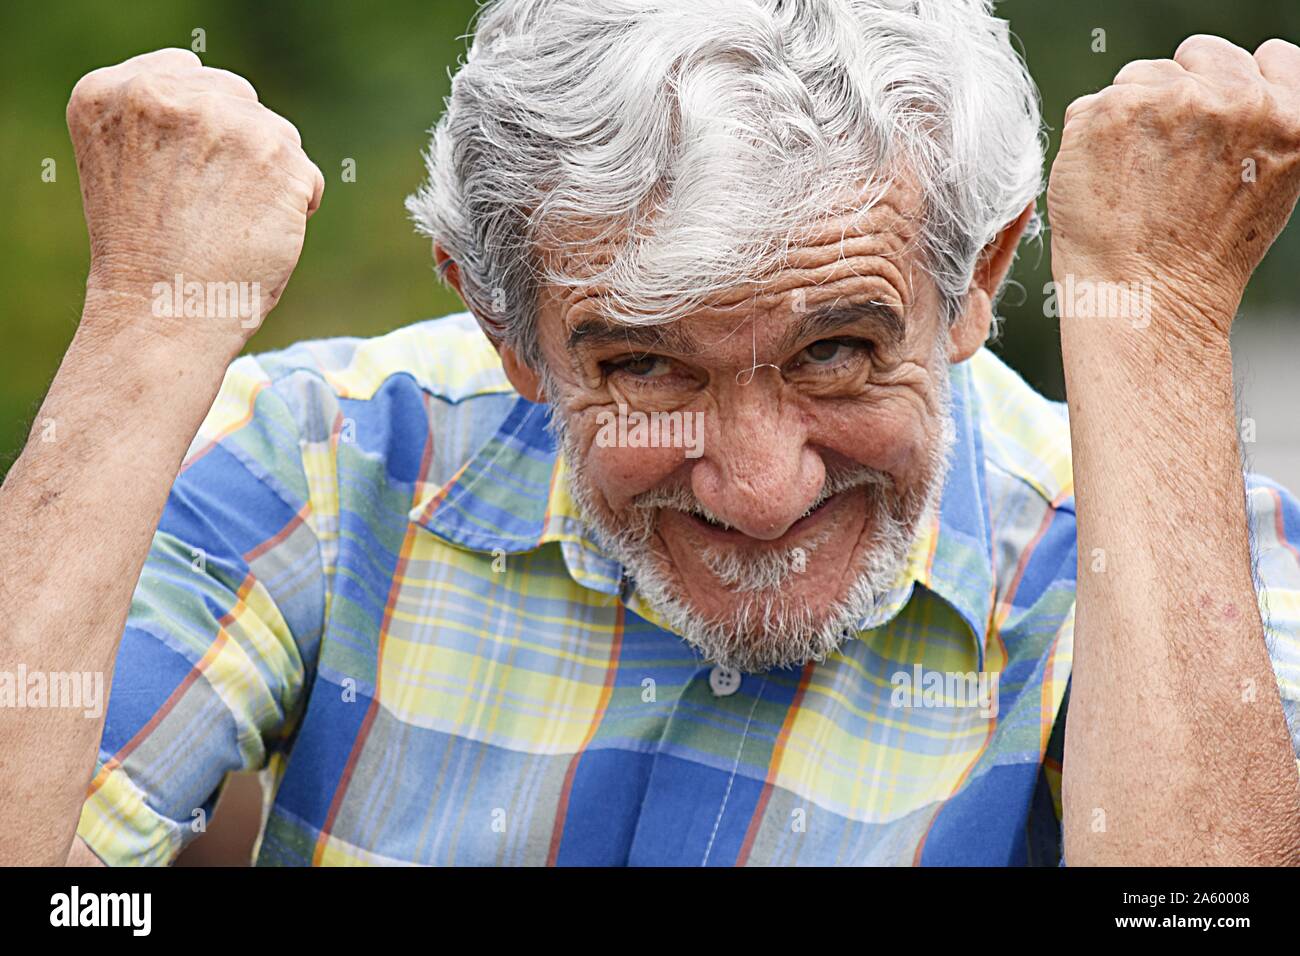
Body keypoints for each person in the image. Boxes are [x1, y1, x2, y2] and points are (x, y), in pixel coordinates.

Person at [2, 0, 1299, 866]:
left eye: (837, 352)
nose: (759, 489)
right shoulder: (325, 455)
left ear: (975, 285)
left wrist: (1161, 320)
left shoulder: (1160, 543)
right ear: (505, 329)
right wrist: (141, 327)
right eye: (644, 365)